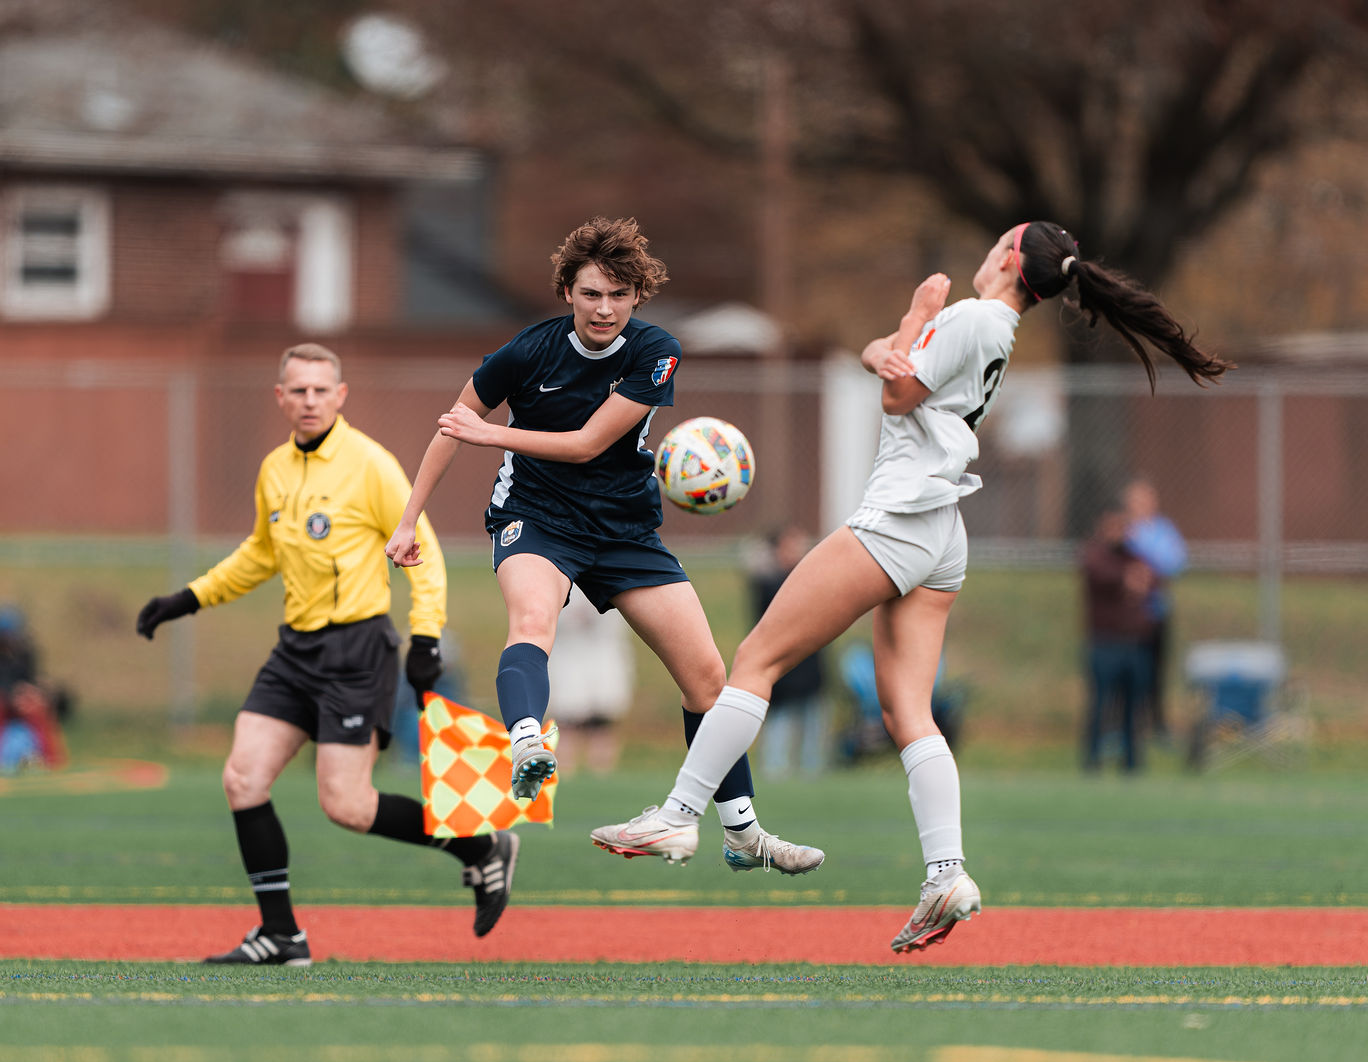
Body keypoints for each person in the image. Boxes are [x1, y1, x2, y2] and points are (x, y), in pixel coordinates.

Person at [592, 220, 1233, 952]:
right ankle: (946, 874)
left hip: (898, 520)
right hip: (940, 531)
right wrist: (894, 339)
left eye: (1002, 237)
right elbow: (900, 375)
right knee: (908, 711)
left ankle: (679, 814)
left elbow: (897, 394)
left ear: (1009, 258)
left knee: (757, 659)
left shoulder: (973, 316)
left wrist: (915, 319)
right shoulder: (996, 327)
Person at [385, 216, 824, 875]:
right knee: (534, 618)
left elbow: (588, 442)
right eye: (591, 293)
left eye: (618, 295)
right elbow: (454, 426)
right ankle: (529, 740)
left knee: (710, 677)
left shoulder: (657, 350)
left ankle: (742, 831)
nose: (604, 308)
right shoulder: (526, 352)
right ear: (568, 291)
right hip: (535, 515)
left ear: (637, 297)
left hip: (622, 527)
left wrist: (493, 435)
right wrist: (408, 519)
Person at [135, 343, 518, 967]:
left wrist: (425, 638)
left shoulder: (370, 466)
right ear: (280, 398)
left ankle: (479, 848)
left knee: (347, 805)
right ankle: (281, 934)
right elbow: (262, 553)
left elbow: (421, 549)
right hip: (294, 651)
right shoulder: (275, 470)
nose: (309, 400)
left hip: (357, 650)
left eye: (321, 390)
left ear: (339, 397)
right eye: (298, 390)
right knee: (242, 778)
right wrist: (188, 598)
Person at [749, 526, 831, 778]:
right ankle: (775, 769)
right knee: (779, 719)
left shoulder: (813, 579)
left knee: (813, 719)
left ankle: (811, 769)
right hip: (782, 664)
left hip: (810, 664)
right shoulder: (769, 582)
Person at [1079, 506, 1156, 773]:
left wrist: (1138, 579)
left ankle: (1132, 763)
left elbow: (1153, 578)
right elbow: (1099, 575)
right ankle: (1093, 761)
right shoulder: (1096, 556)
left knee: (1133, 708)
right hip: (1105, 643)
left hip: (1134, 645)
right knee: (1100, 705)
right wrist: (1127, 579)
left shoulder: (1135, 557)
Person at [0, 604, 70, 769]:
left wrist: (27, 692)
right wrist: (5, 695)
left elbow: (29, 680)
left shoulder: (24, 654)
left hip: (18, 700)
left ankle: (51, 760)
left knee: (34, 705)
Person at [1121, 477, 1187, 741]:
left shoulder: (1164, 530)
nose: (1141, 505)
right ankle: (1126, 725)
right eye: (1135, 500)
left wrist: (1142, 564)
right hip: (1125, 618)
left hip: (1156, 613)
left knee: (1156, 672)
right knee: (1126, 673)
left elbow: (1174, 562)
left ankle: (1157, 725)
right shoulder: (1122, 529)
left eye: (1145, 499)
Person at [545, 584, 635, 777]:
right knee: (566, 722)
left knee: (601, 723)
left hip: (602, 658)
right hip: (569, 657)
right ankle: (563, 772)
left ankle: (601, 772)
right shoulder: (560, 576)